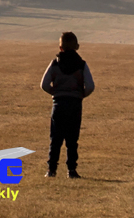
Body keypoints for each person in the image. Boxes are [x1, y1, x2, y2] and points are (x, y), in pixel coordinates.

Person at [40, 31, 95, 179]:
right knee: (72, 140)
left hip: (58, 104)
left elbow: (44, 84)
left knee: (55, 139)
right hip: (75, 105)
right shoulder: (82, 65)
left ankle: (51, 170)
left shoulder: (55, 63)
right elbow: (90, 86)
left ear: (60, 47)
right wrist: (81, 94)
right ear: (77, 46)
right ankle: (71, 170)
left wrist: (55, 92)